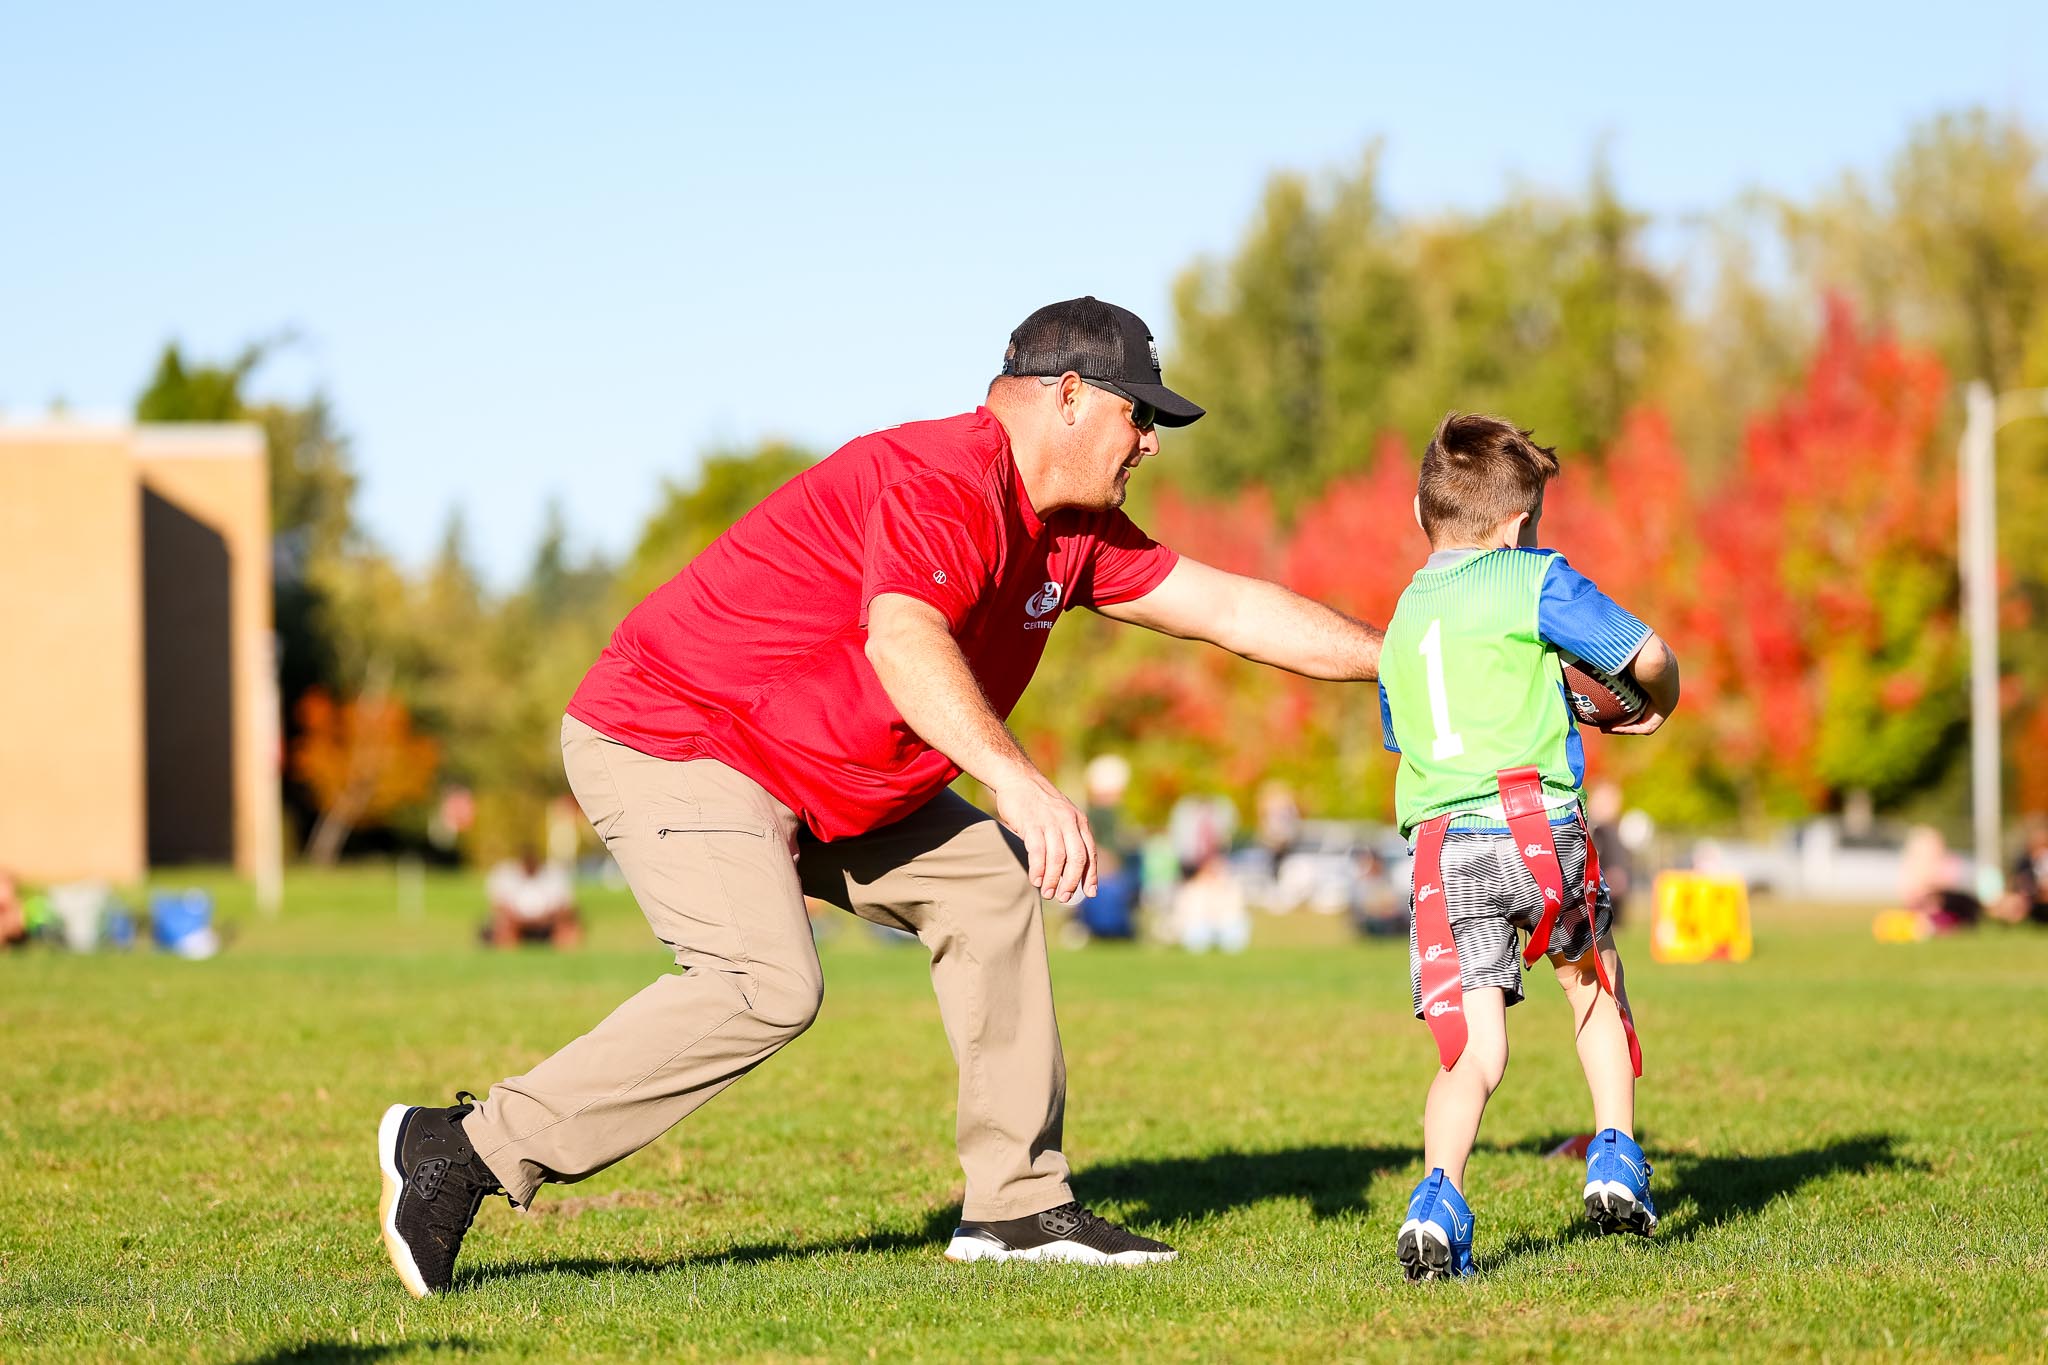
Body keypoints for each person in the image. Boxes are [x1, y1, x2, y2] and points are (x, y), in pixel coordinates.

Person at [376, 297, 1387, 1296]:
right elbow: (904, 640)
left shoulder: (1073, 530)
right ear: (1071, 396)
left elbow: (1228, 607)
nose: (1151, 443)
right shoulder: (940, 478)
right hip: (679, 736)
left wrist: (1399, 660)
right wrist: (1017, 780)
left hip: (820, 774)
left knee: (989, 885)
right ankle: (459, 1149)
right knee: (764, 981)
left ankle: (1015, 1207)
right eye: (1142, 415)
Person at [1375, 413, 1679, 1280]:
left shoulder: (1404, 613)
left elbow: (1403, 732)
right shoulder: (1532, 576)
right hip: (1535, 827)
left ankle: (1437, 1199)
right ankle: (1614, 1155)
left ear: (1421, 514)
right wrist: (1658, 700)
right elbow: (1645, 653)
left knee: (1476, 1050)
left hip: (1443, 850)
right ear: (1518, 526)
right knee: (1592, 983)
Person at [480, 848, 584, 949]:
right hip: (515, 923)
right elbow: (498, 907)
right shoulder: (504, 874)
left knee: (568, 929)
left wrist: (545, 919)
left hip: (549, 922)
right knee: (503, 927)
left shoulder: (555, 875)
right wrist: (520, 920)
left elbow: (566, 907)